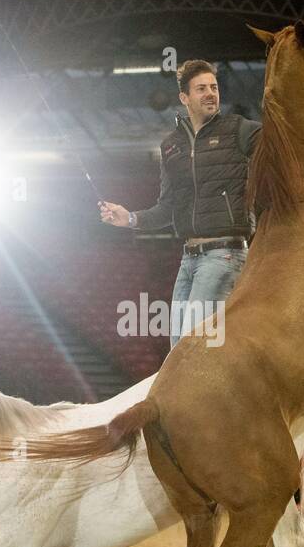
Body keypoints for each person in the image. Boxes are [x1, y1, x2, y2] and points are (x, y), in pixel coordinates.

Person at [98, 59, 261, 349]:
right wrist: (131, 219)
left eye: (213, 87)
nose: (211, 93)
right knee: (177, 348)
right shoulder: (172, 145)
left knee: (193, 346)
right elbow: (167, 207)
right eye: (201, 89)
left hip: (225, 254)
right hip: (189, 259)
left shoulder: (238, 129)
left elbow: (282, 141)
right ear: (184, 98)